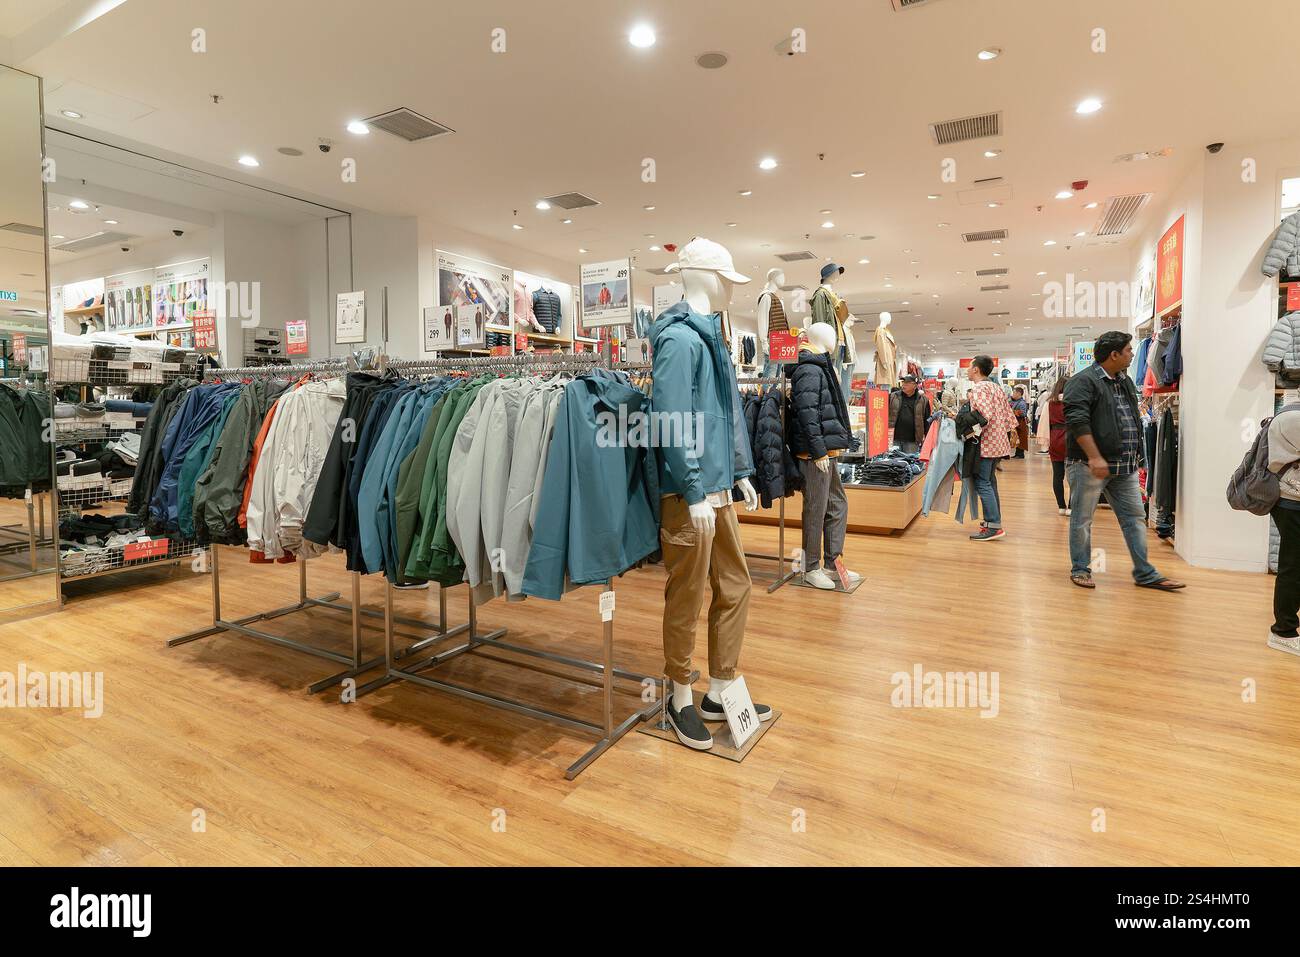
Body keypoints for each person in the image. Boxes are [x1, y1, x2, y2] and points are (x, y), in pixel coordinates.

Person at [1063, 331, 1185, 591]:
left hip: (1124, 465)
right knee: (1083, 519)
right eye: (1129, 350)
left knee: (1134, 518)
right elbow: (1077, 421)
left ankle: (1144, 572)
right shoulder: (1082, 381)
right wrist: (1094, 457)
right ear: (1114, 355)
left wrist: (1139, 456)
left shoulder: (1125, 381)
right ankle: (1081, 568)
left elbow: (1130, 418)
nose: (1133, 354)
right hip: (1088, 466)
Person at [965, 354, 1017, 541]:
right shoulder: (996, 387)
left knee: (982, 483)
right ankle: (992, 522)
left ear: (976, 369)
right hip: (999, 442)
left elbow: (983, 416)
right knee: (990, 481)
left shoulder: (979, 388)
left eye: (969, 367)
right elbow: (1010, 418)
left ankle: (994, 525)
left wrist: (967, 430)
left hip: (986, 443)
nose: (967, 370)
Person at [1267, 405, 1300, 656]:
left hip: (1291, 500)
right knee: (1293, 566)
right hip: (1292, 501)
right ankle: (1283, 632)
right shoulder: (1292, 418)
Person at [888, 374, 930, 454]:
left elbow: (926, 421)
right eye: (903, 382)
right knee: (893, 463)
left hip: (913, 440)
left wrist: (927, 438)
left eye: (907, 383)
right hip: (894, 438)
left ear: (915, 385)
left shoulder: (924, 400)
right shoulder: (893, 397)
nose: (904, 385)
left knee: (910, 463)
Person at [1047, 376, 1069, 514]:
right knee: (1074, 476)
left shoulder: (1050, 403)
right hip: (1070, 436)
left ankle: (1061, 506)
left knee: (1057, 475)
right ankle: (1071, 507)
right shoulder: (1072, 401)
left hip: (1055, 437)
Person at [1010, 386, 1030, 459]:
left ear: (1019, 393)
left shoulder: (1021, 403)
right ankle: (1017, 453)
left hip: (1020, 423)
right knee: (1017, 438)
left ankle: (1020, 454)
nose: (1013, 394)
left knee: (1020, 438)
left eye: (1014, 392)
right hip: (1017, 423)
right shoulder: (1016, 402)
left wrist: (1013, 412)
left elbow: (1023, 413)